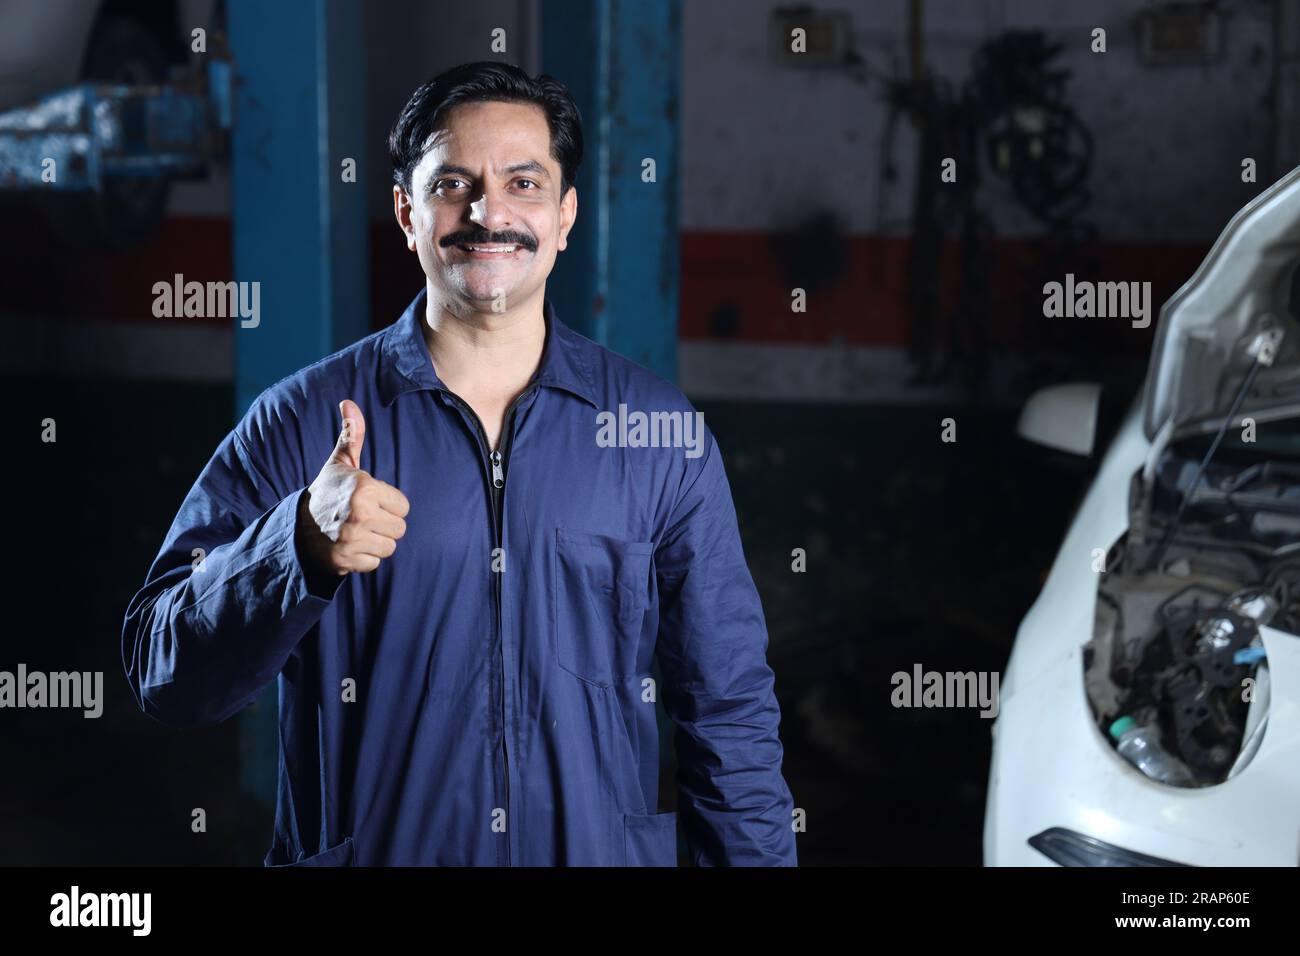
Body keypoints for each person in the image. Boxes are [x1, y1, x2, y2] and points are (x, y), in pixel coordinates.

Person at [122, 60, 797, 866]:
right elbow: (164, 673)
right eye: (453, 185)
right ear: (407, 212)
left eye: (523, 184)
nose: (488, 214)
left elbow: (730, 713)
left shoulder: (656, 436)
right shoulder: (300, 423)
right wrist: (294, 547)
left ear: (565, 215)